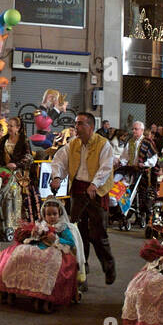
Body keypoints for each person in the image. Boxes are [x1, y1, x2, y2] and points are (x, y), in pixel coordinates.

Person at [48, 112, 117, 285]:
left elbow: (106, 167)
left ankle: (109, 267)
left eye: (80, 124)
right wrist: (57, 177)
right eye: (76, 124)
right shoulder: (73, 144)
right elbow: (59, 161)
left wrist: (94, 184)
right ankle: (81, 275)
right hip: (78, 191)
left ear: (90, 127)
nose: (76, 127)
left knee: (98, 235)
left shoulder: (103, 145)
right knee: (78, 234)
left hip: (96, 192)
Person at [0, 198, 80, 308]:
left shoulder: (63, 228)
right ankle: (11, 287)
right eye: (49, 214)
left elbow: (71, 242)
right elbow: (33, 238)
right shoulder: (41, 225)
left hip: (55, 249)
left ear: (59, 214)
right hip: (37, 246)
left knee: (46, 262)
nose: (52, 217)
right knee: (18, 255)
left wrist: (57, 239)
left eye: (55, 214)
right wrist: (34, 234)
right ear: (44, 215)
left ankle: (42, 293)